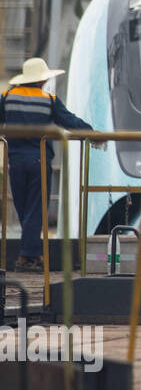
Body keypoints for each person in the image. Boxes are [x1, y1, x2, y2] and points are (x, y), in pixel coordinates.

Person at [0, 57, 97, 272]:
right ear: (40, 81)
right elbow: (69, 121)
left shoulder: (6, 97)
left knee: (23, 208)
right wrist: (94, 134)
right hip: (39, 160)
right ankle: (28, 257)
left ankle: (30, 254)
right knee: (36, 209)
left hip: (15, 161)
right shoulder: (49, 99)